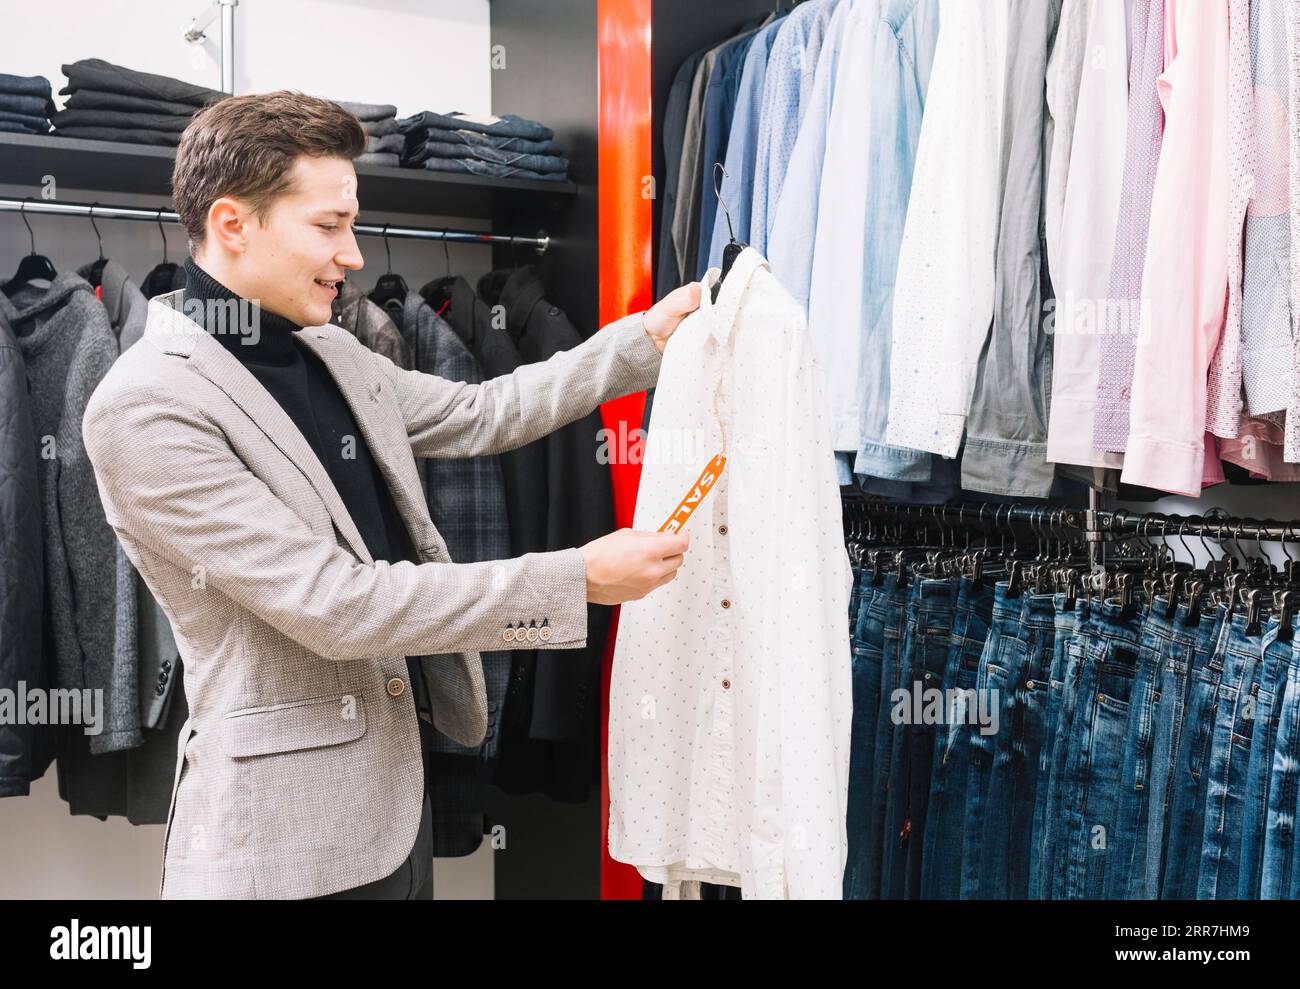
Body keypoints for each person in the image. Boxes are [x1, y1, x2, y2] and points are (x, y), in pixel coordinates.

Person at [82, 91, 701, 899]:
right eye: (329, 226)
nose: (353, 255)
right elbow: (336, 604)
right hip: (281, 847)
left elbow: (484, 411)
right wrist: (575, 578)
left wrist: (644, 341)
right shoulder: (146, 404)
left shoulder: (330, 350)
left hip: (396, 811)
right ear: (232, 224)